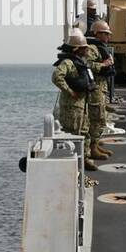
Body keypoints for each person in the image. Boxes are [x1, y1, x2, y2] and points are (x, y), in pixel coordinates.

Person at [51, 28, 98, 171]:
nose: (86, 51)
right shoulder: (68, 62)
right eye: (84, 48)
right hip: (71, 106)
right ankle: (71, 164)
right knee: (72, 133)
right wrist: (70, 91)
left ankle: (84, 158)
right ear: (77, 49)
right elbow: (56, 77)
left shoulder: (79, 63)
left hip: (81, 104)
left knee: (83, 132)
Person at [84, 19, 116, 163]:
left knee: (101, 118)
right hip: (95, 89)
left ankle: (95, 144)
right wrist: (103, 64)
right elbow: (86, 64)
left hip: (101, 88)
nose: (108, 37)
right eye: (105, 34)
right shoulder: (92, 49)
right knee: (96, 118)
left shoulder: (101, 48)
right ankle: (92, 147)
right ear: (97, 34)